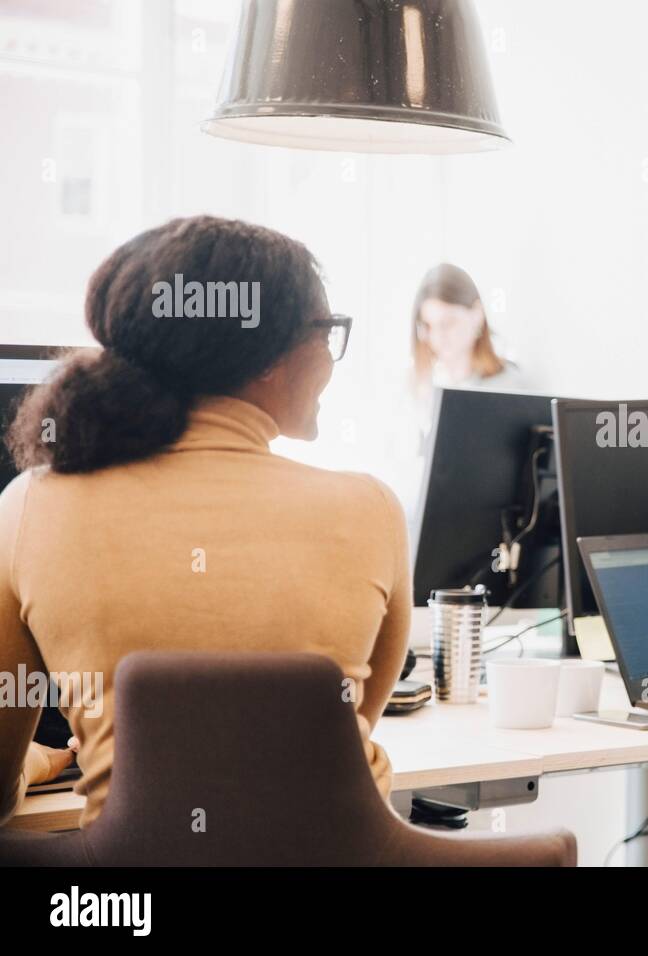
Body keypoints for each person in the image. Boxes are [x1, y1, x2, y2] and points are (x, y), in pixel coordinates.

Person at [0, 215, 411, 827]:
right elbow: (329, 750)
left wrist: (39, 762)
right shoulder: (372, 510)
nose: (331, 356)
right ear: (268, 357)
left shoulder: (30, 506)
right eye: (326, 333)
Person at [410, 263, 527, 400]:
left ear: (477, 314)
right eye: (428, 326)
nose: (437, 336)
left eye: (447, 323)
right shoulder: (417, 389)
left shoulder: (510, 388)